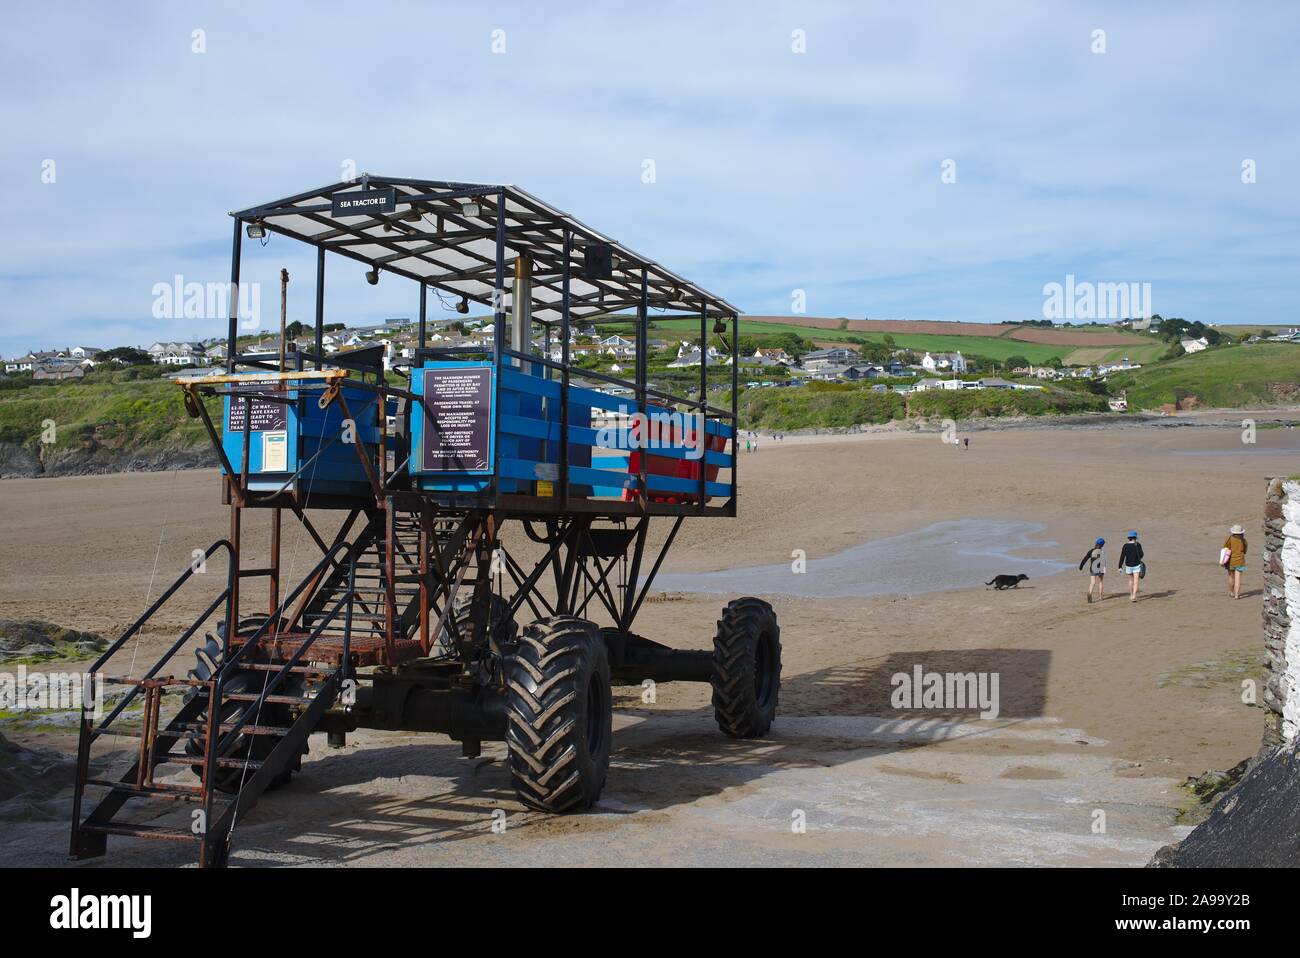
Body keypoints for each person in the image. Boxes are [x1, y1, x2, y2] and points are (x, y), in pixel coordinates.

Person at [1118, 530, 1144, 602]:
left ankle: (1131, 594)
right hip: (1137, 565)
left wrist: (1120, 566)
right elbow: (1141, 555)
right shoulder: (1138, 545)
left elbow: (1122, 557)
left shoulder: (1125, 546)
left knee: (1130, 580)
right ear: (1135, 538)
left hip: (1128, 565)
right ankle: (1134, 596)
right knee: (1136, 581)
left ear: (1129, 538)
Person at [1223, 523, 1247, 599]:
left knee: (1231, 577)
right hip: (1240, 561)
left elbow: (1225, 548)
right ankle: (1237, 595)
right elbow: (1245, 550)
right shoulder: (1243, 540)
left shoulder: (1230, 538)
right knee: (1238, 578)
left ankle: (1231, 592)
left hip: (1230, 561)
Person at [1079, 537, 1106, 603]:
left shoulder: (1091, 551)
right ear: (1102, 545)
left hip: (1093, 568)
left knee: (1092, 583)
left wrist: (1081, 566)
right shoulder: (1102, 552)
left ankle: (1090, 593)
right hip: (1100, 568)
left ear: (1096, 543)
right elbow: (1104, 561)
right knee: (1100, 582)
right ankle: (1100, 597)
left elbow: (1085, 559)